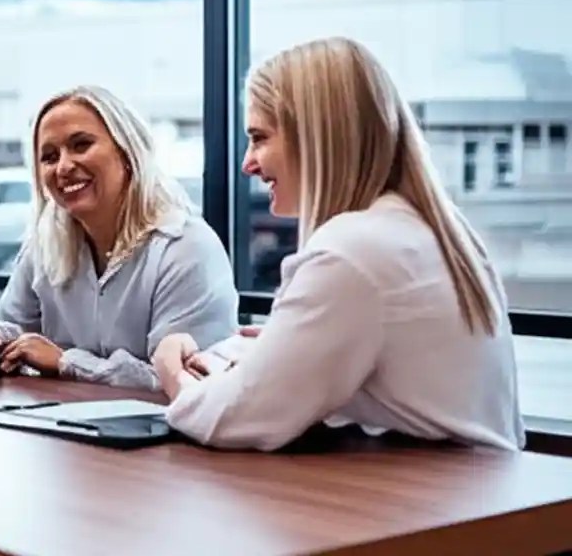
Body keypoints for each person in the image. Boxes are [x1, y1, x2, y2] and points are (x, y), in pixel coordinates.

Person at [156, 36, 525, 451]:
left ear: (314, 137)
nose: (247, 163)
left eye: (259, 138)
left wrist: (173, 374)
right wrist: (292, 354)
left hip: (436, 504)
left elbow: (234, 417)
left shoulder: (350, 251)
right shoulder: (434, 232)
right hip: (485, 499)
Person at [0, 85, 237, 390]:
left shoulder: (186, 248)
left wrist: (66, 362)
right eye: (49, 157)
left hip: (169, 433)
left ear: (127, 151)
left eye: (81, 145)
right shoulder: (45, 244)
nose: (64, 167)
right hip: (65, 427)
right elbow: (9, 323)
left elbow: (182, 381)